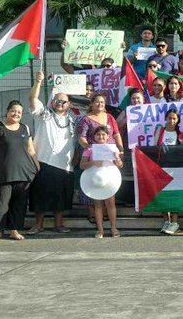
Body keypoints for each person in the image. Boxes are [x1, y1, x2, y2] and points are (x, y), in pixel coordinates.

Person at [26, 71, 77, 235]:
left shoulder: (74, 120)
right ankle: (38, 225)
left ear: (69, 104)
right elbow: (33, 99)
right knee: (40, 195)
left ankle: (59, 224)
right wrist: (38, 82)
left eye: (63, 101)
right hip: (43, 161)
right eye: (57, 100)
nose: (60, 103)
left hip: (64, 164)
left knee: (60, 197)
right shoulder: (44, 114)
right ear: (53, 101)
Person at [0, 101, 39, 243]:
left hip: (23, 173)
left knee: (18, 204)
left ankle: (14, 230)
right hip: (2, 174)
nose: (16, 114)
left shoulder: (25, 128)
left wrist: (37, 166)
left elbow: (31, 150)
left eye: (19, 112)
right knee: (0, 204)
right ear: (7, 112)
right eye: (13, 111)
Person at [77, 94, 124, 222]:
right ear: (91, 104)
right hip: (94, 158)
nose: (100, 104)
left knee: (109, 186)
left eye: (102, 102)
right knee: (95, 183)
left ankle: (109, 220)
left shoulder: (110, 117)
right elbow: (81, 137)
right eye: (97, 102)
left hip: (110, 158)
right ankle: (96, 218)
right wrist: (90, 149)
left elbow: (116, 134)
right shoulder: (86, 119)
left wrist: (120, 149)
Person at [80, 126, 123, 239]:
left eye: (103, 134)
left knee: (111, 204)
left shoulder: (113, 148)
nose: (101, 136)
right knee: (98, 205)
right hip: (95, 179)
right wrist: (93, 162)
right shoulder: (89, 149)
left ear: (108, 136)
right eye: (98, 134)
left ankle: (113, 228)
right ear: (94, 136)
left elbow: (120, 165)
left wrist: (117, 158)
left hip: (109, 179)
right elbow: (82, 165)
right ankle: (100, 230)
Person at [156, 110, 183, 235]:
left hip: (175, 170)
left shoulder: (181, 134)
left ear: (177, 120)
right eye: (169, 118)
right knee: (162, 195)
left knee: (174, 195)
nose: (172, 121)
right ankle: (166, 221)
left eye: (174, 119)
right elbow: (153, 148)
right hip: (161, 168)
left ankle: (175, 222)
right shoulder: (159, 131)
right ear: (166, 119)